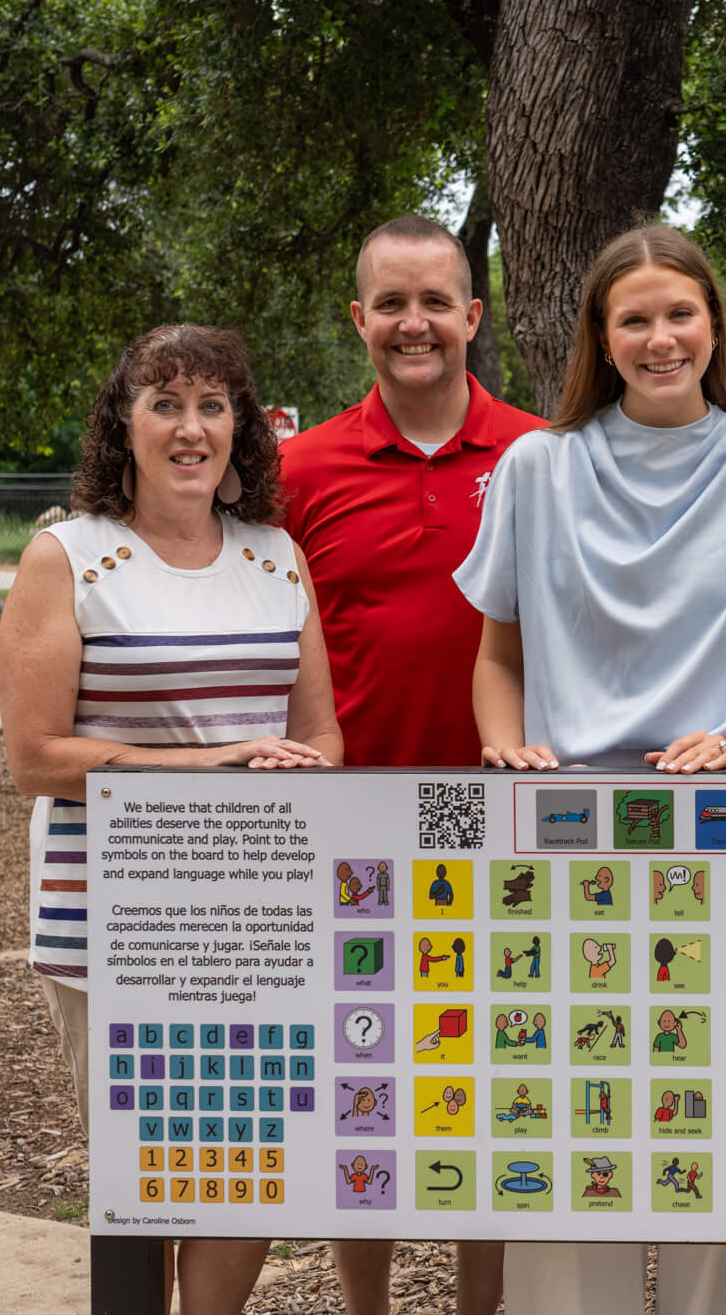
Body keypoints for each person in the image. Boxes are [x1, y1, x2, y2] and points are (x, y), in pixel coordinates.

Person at [457, 222, 726, 1315]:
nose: (660, 336)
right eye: (634, 318)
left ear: (713, 325)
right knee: (574, 1119)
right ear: (600, 335)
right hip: (569, 839)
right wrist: (503, 742)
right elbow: (497, 654)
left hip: (724, 834)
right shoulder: (538, 463)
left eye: (680, 313)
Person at [0, 324, 343, 1315]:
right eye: (165, 404)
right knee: (149, 1182)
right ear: (124, 423)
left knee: (247, 1170)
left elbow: (320, 736)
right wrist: (211, 767)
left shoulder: (278, 558)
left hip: (256, 918)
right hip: (112, 927)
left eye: (211, 406)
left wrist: (296, 780)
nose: (189, 428)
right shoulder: (68, 558)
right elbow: (36, 759)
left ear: (241, 428)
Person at [280, 213, 542, 1315]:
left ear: (472, 315)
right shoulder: (298, 469)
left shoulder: (541, 453)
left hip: (508, 824)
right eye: (390, 303)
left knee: (488, 1097)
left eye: (435, 300)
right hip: (352, 828)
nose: (413, 323)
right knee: (364, 1102)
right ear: (358, 320)